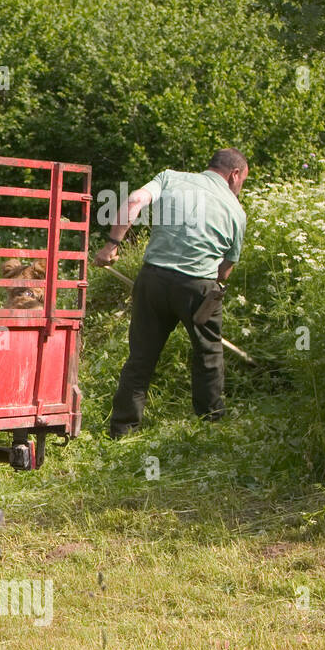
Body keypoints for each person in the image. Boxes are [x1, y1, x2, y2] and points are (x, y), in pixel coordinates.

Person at [93, 148, 248, 438]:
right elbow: (225, 271)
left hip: (153, 280)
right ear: (234, 175)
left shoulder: (170, 177)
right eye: (242, 182)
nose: (239, 188)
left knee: (140, 357)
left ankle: (122, 430)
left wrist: (112, 245)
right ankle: (211, 425)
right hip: (199, 289)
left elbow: (135, 199)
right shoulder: (236, 211)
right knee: (208, 355)